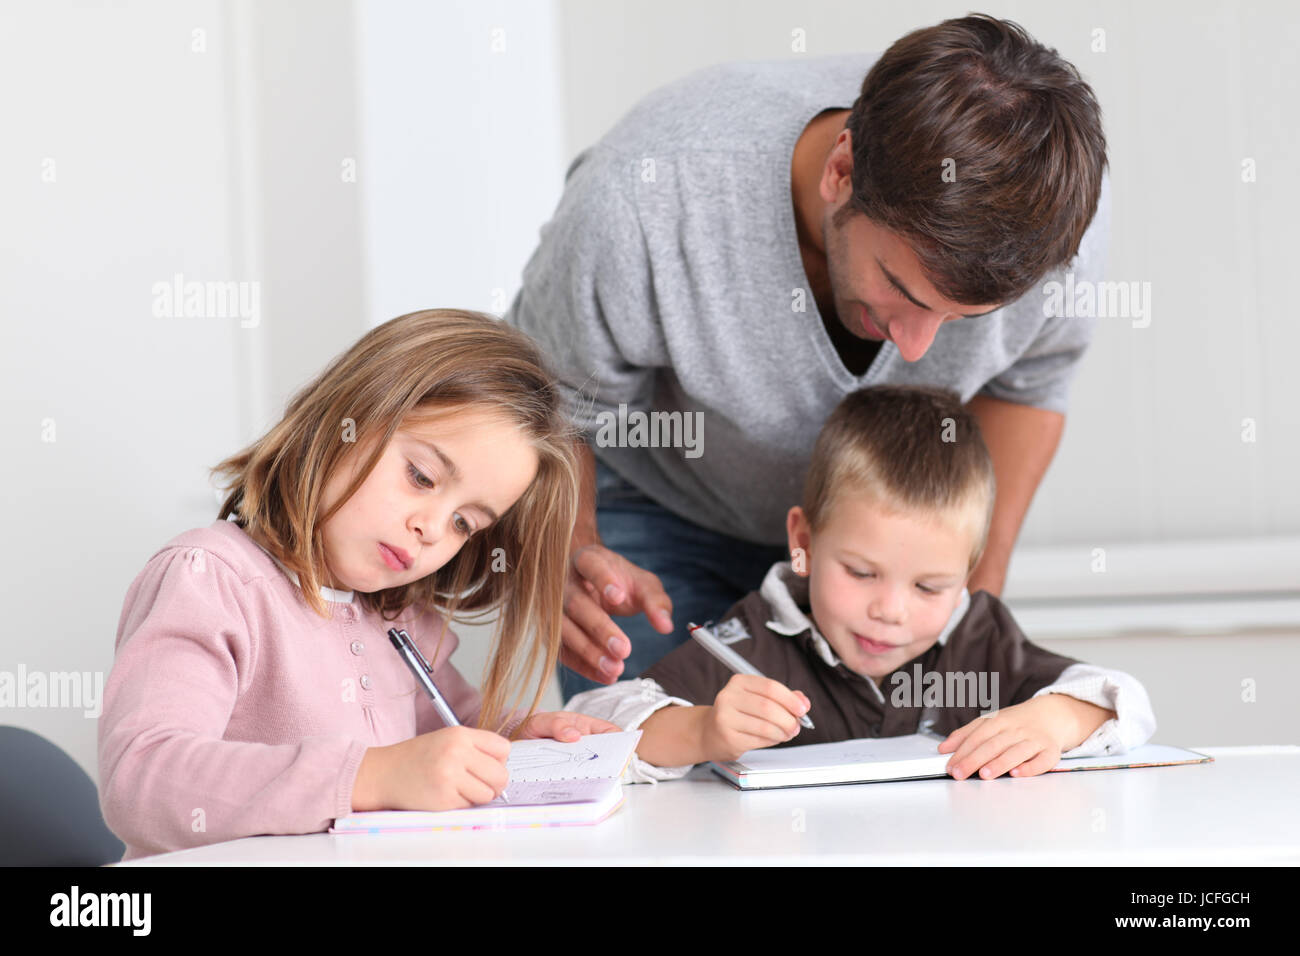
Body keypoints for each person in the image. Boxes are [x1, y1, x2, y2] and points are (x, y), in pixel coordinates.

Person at [503, 15, 1111, 699]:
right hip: (660, 509)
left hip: (885, 546)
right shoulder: (641, 201)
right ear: (841, 170)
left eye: (961, 319)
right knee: (652, 752)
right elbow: (548, 396)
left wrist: (970, 591)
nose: (917, 348)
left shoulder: (1050, 233)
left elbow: (1029, 387)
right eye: (903, 291)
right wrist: (559, 546)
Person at [98, 309, 618, 860]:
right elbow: (140, 780)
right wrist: (369, 776)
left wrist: (515, 742)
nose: (432, 529)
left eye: (465, 522)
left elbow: (451, 729)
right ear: (346, 417)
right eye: (421, 476)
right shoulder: (210, 578)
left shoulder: (402, 618)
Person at [564, 386, 1155, 783]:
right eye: (862, 572)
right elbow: (593, 725)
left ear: (966, 576)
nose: (890, 611)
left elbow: (1123, 700)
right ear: (805, 543)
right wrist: (702, 730)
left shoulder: (979, 634)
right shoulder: (753, 638)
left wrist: (1054, 719)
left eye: (929, 586)